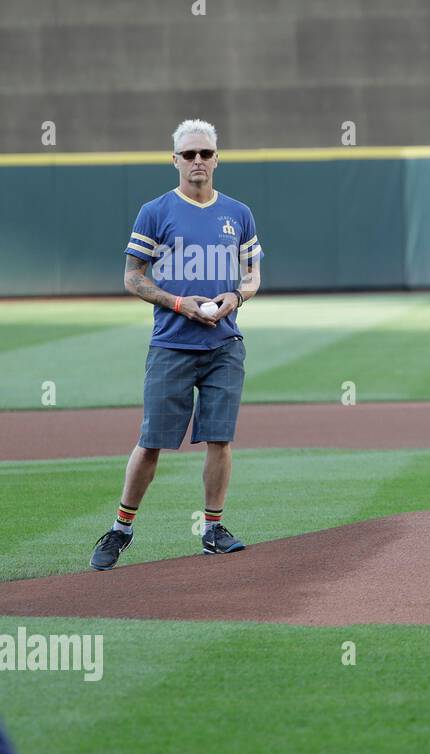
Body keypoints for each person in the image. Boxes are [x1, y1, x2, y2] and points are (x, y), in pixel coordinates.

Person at [90, 119, 264, 571]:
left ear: (217, 158)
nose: (198, 161)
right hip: (172, 344)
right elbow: (132, 276)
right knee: (151, 441)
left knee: (220, 439)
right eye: (189, 155)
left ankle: (212, 529)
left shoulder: (238, 213)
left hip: (225, 342)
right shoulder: (156, 211)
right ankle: (121, 529)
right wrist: (179, 303)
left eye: (206, 153)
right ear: (175, 160)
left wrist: (237, 296)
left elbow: (252, 274)